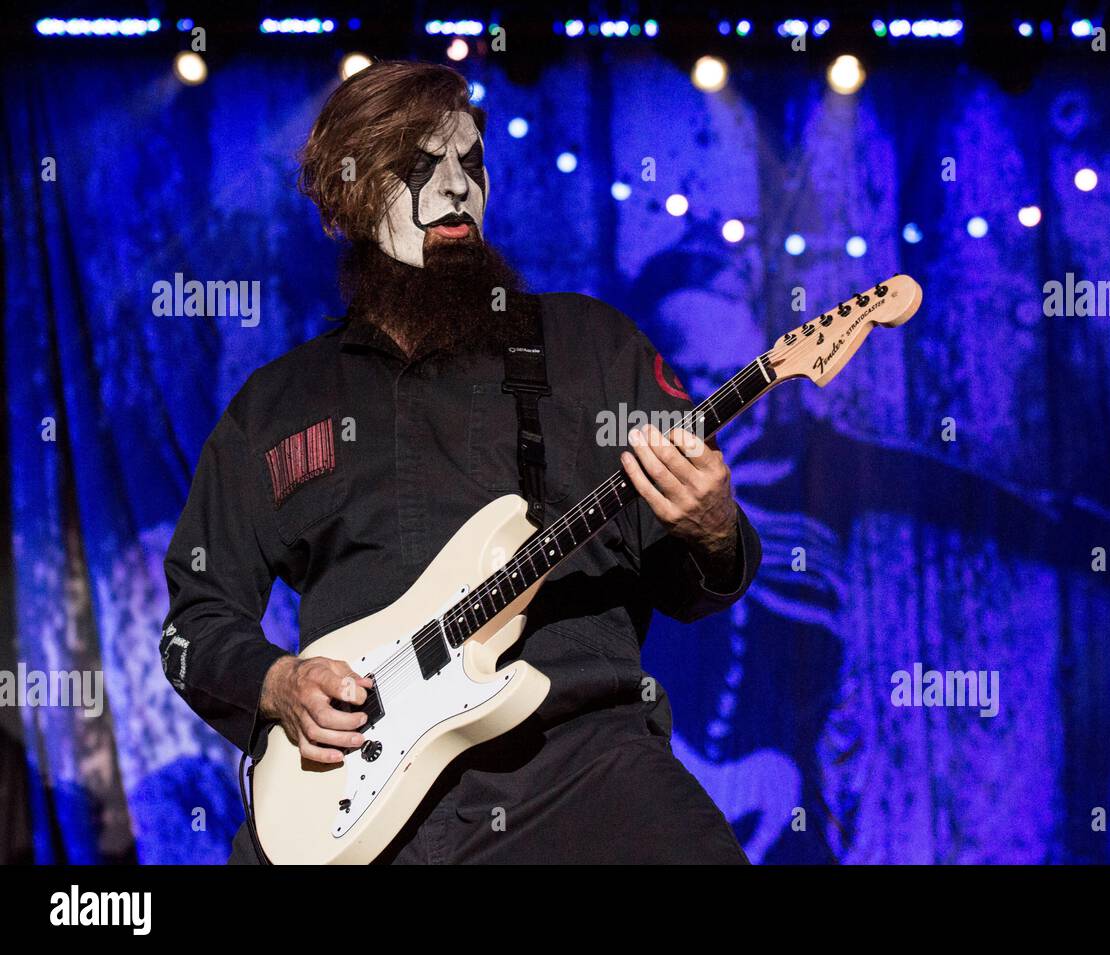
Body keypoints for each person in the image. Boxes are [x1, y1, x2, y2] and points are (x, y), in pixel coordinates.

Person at [160, 60, 762, 864]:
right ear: (349, 198)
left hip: (586, 770)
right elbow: (194, 621)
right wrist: (275, 683)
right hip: (353, 798)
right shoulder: (275, 406)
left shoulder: (590, 348)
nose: (454, 189)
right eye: (420, 164)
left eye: (470, 163)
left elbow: (691, 575)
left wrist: (714, 528)